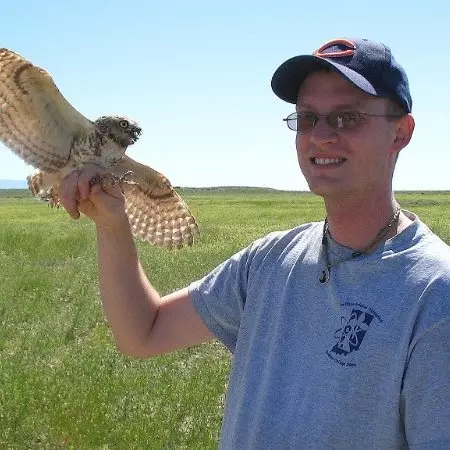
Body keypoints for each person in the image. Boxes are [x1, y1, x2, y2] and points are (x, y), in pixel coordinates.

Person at [59, 38, 450, 449]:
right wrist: (111, 224)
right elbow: (144, 332)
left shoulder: (435, 293)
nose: (319, 136)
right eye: (307, 117)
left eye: (347, 117)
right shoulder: (268, 262)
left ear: (400, 133)